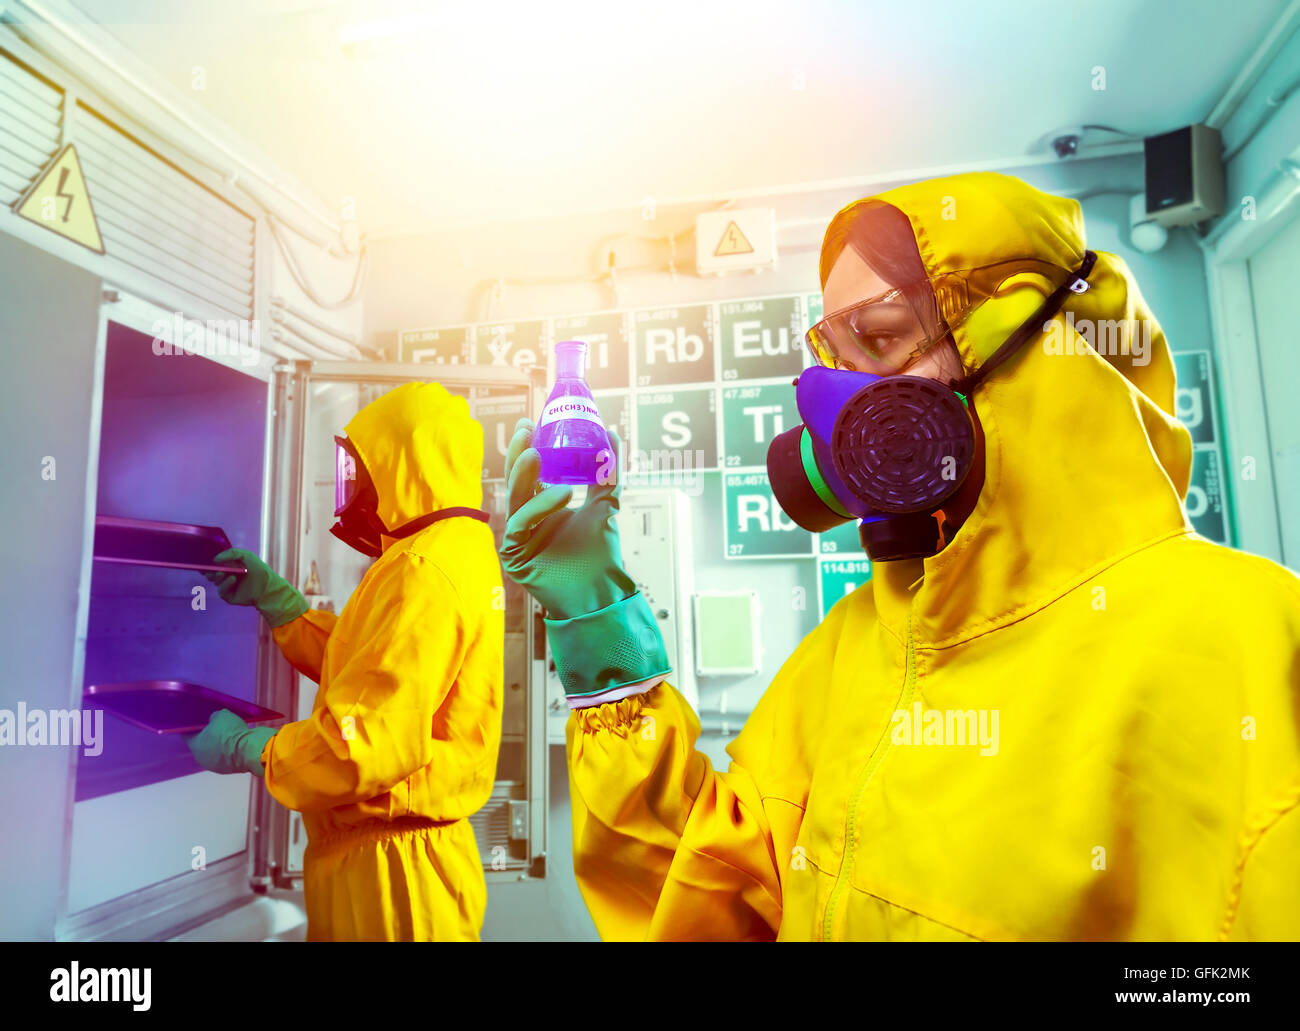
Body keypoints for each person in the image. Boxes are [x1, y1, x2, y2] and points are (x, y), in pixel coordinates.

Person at [500, 171, 1300, 941]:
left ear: (1035, 345)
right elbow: (703, 892)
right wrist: (597, 621)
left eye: (881, 339)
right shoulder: (858, 642)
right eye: (836, 356)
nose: (840, 398)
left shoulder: (1249, 638)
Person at [186, 381, 503, 942]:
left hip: (394, 875)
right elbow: (376, 670)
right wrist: (284, 607)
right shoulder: (449, 548)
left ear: (402, 464)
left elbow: (363, 743)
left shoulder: (424, 569)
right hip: (393, 858)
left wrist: (251, 749)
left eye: (363, 470)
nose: (354, 489)